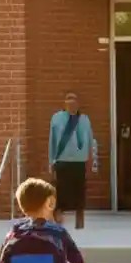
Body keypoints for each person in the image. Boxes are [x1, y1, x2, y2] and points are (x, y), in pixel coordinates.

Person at [48, 91, 99, 230]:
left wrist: (92, 161)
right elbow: (52, 141)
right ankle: (58, 220)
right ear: (64, 102)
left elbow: (90, 141)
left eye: (74, 99)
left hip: (79, 161)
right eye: (68, 99)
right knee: (60, 191)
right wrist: (51, 161)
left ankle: (80, 221)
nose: (71, 102)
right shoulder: (56, 118)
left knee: (79, 191)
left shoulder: (84, 119)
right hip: (62, 160)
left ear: (78, 103)